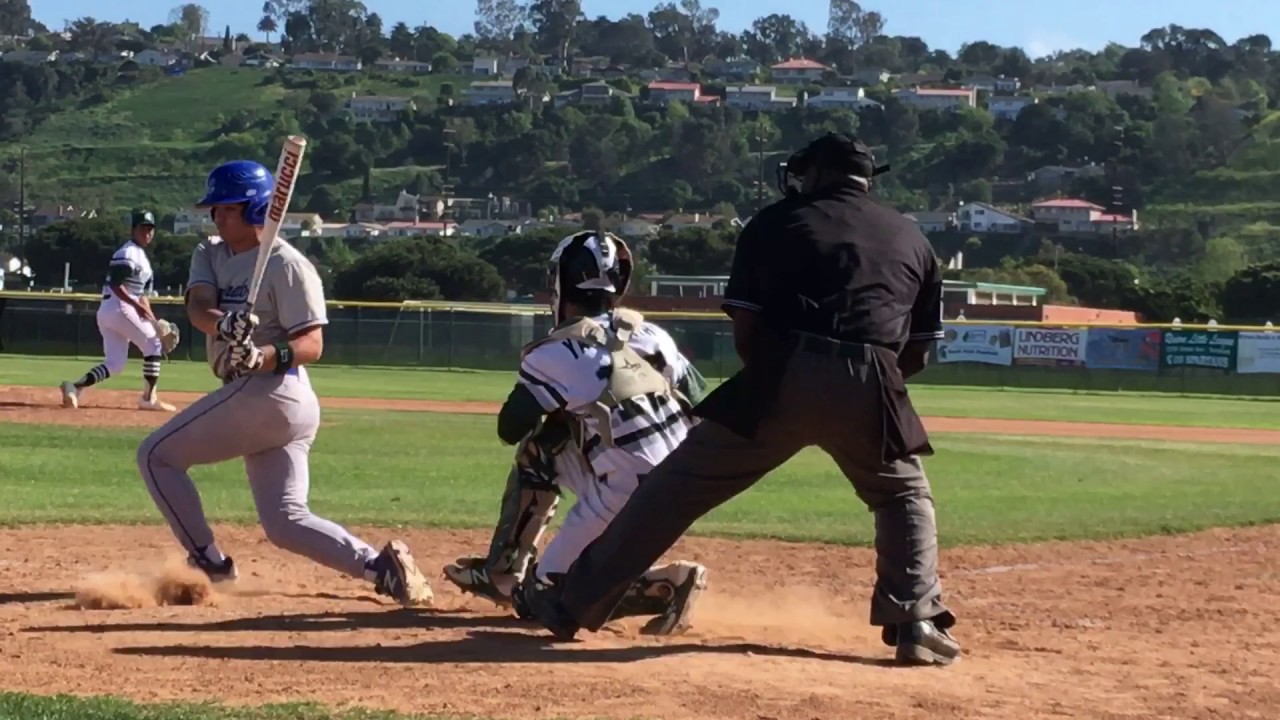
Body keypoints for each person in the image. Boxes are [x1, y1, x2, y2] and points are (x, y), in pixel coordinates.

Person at [521, 133, 961, 666]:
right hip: (874, 377)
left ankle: (570, 604)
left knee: (673, 490)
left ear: (817, 175)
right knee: (902, 496)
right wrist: (868, 389)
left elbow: (747, 324)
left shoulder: (776, 222)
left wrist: (772, 386)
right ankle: (914, 621)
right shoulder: (913, 238)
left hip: (781, 372)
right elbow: (917, 353)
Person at [133, 159, 432, 607]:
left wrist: (262, 354)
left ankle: (210, 563)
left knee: (156, 456)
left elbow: (312, 343)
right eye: (214, 210)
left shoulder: (288, 265)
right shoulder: (209, 253)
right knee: (284, 522)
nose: (218, 217)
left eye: (228, 209)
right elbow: (199, 308)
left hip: (274, 389)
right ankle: (381, 567)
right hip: (257, 399)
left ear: (256, 209)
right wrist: (224, 323)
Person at [446, 230, 710, 635]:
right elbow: (698, 396)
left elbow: (510, 426)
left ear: (560, 283)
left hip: (626, 489)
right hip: (686, 482)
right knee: (550, 447)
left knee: (543, 601)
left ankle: (664, 585)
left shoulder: (555, 352)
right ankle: (506, 574)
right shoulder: (654, 335)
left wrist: (559, 416)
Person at [61, 210, 176, 412]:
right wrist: (140, 309)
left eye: (150, 229)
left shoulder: (141, 257)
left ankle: (75, 387)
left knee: (115, 363)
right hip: (119, 306)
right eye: (143, 228)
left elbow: (141, 296)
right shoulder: (128, 252)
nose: (147, 233)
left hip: (112, 310)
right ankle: (149, 399)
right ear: (133, 230)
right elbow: (117, 285)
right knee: (153, 346)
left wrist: (153, 321)